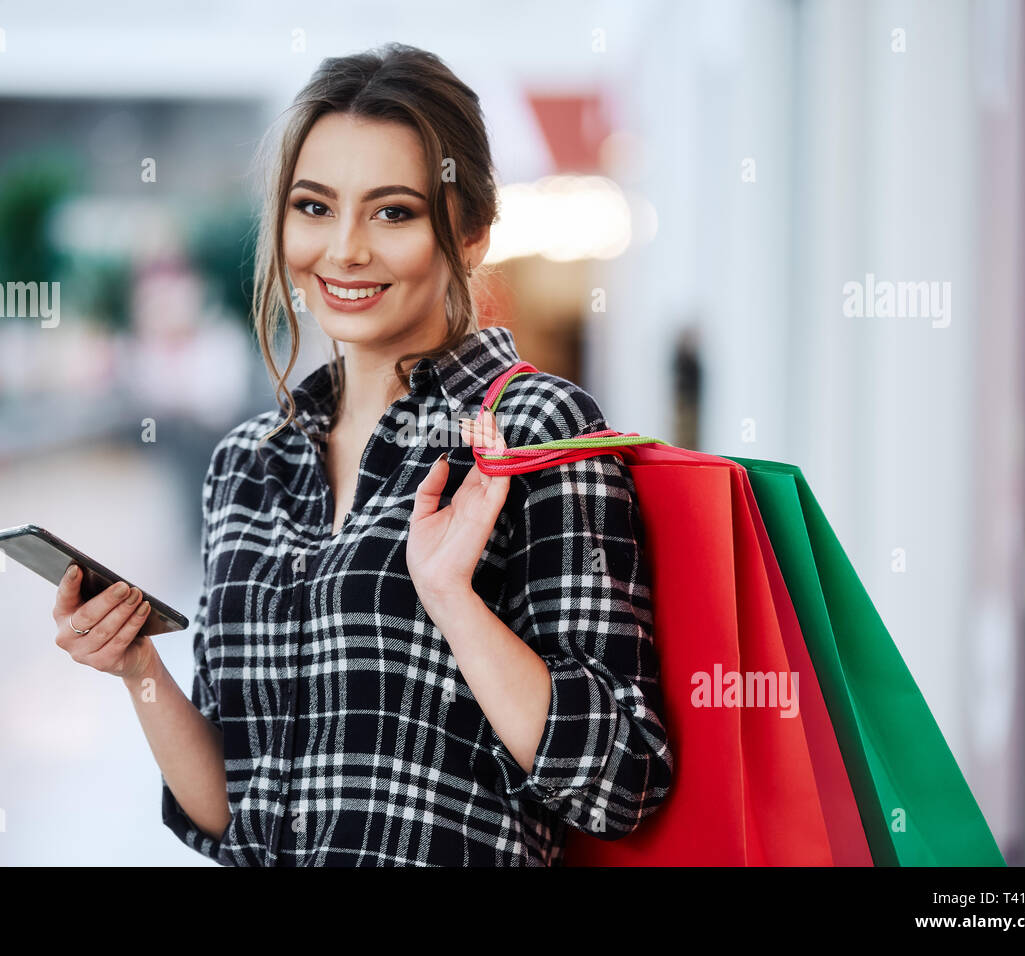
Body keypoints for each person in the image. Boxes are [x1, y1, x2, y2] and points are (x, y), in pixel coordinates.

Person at [51, 42, 672, 866]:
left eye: (393, 212)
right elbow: (230, 818)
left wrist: (454, 599)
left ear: (474, 230)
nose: (343, 250)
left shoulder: (534, 431)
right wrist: (136, 664)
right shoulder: (248, 462)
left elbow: (621, 781)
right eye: (314, 207)